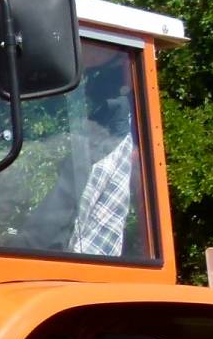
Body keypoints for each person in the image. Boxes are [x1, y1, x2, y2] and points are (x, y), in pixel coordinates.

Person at [14, 60, 137, 256]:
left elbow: (53, 224)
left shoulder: (106, 147)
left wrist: (18, 248)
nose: (82, 121)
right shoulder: (106, 141)